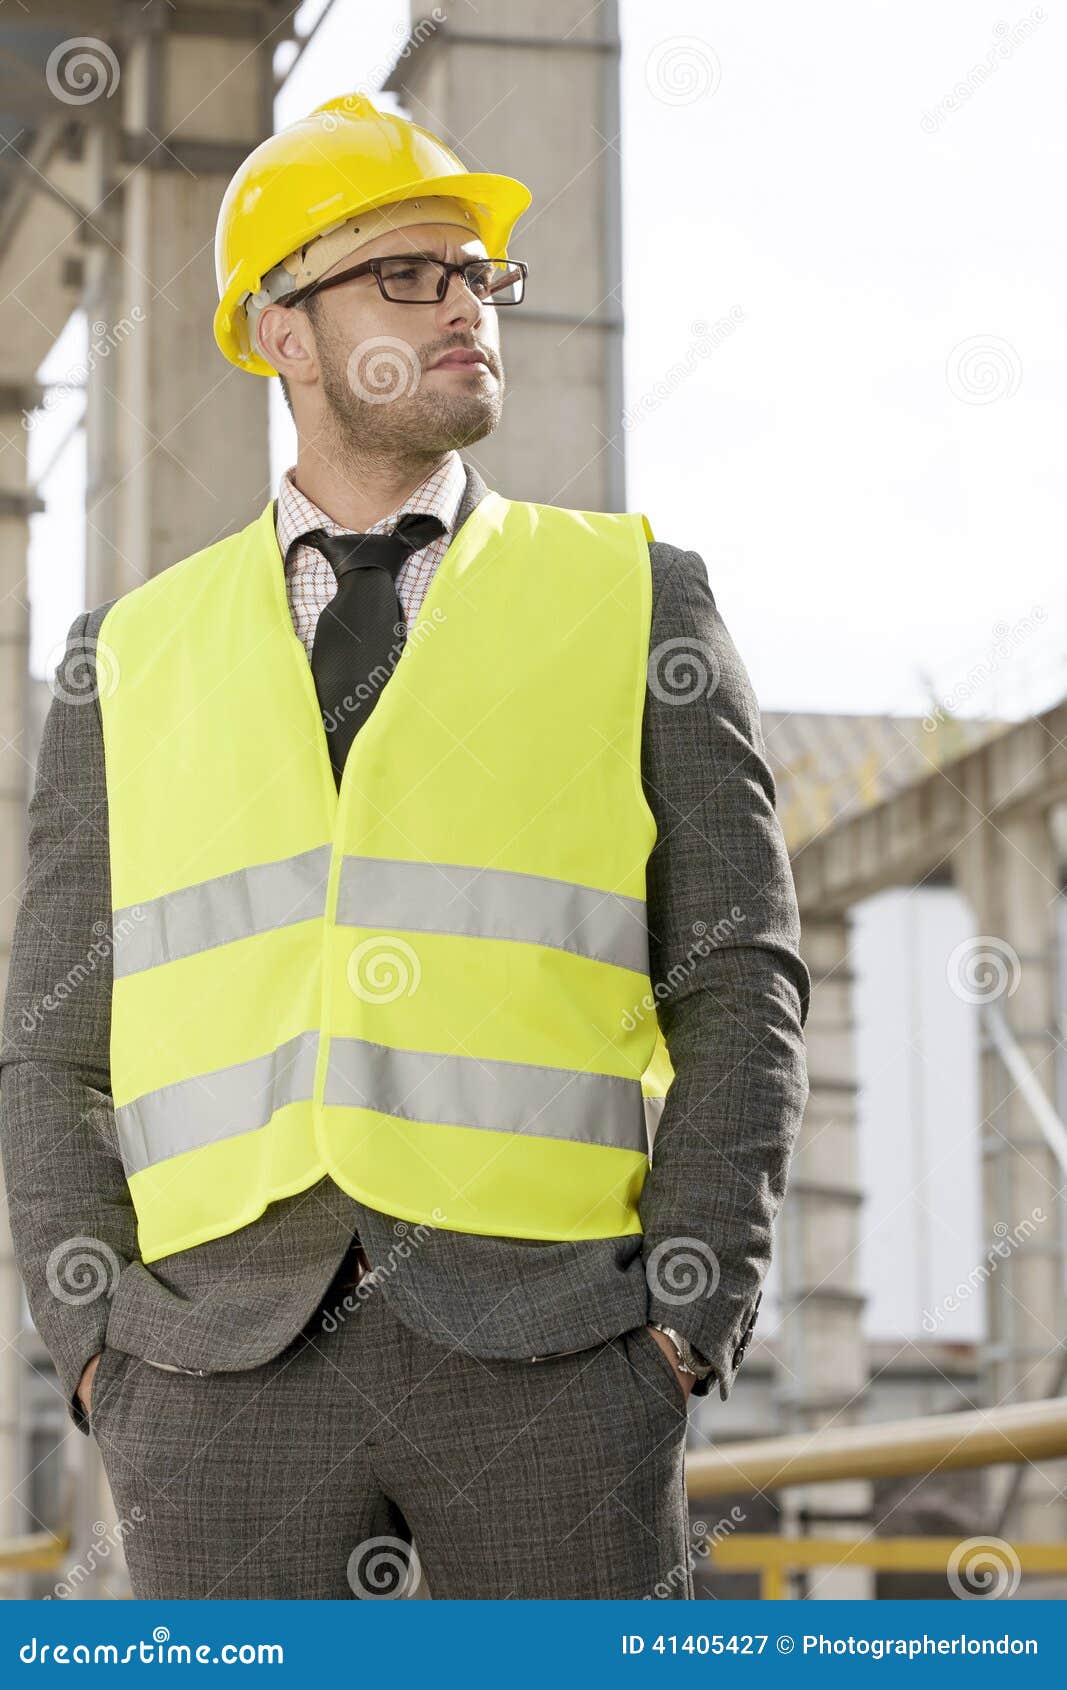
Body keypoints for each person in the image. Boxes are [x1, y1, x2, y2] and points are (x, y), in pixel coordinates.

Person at [0, 93, 809, 1600]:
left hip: (562, 1354)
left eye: (480, 276)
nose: (466, 309)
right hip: (212, 1366)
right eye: (409, 275)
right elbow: (52, 1042)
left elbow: (740, 977)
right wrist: (97, 1341)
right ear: (284, 335)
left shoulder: (636, 597)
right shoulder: (131, 654)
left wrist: (684, 1320)